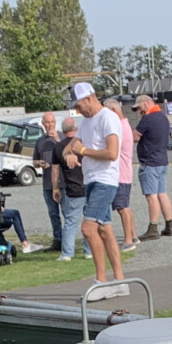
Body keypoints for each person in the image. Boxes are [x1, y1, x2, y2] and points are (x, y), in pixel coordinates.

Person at [66, 82, 124, 284]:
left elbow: (112, 153)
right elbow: (72, 145)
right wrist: (69, 153)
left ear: (89, 98)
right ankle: (119, 281)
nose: (77, 110)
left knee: (88, 229)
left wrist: (82, 151)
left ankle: (101, 281)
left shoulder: (107, 118)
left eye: (78, 105)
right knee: (104, 230)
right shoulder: (86, 123)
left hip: (105, 180)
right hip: (90, 180)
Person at [134, 94, 172, 240]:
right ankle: (169, 225)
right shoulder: (163, 117)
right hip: (162, 160)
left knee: (151, 196)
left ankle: (153, 227)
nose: (139, 111)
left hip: (150, 162)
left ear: (146, 103)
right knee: (162, 193)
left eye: (139, 107)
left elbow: (135, 136)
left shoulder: (147, 119)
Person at [31, 111, 68, 258]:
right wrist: (38, 163)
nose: (50, 125)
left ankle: (67, 240)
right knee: (53, 214)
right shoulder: (40, 141)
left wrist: (58, 140)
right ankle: (57, 240)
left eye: (52, 122)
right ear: (42, 124)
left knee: (67, 212)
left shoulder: (62, 136)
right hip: (47, 182)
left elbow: (67, 153)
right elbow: (34, 160)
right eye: (47, 122)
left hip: (63, 181)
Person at [106, 96, 137, 252]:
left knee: (122, 207)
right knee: (126, 206)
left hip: (120, 174)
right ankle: (133, 235)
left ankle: (128, 240)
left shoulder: (120, 128)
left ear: (113, 110)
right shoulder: (125, 125)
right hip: (125, 172)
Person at [55, 115, 87, 259]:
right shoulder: (83, 144)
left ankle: (67, 253)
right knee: (91, 220)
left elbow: (55, 170)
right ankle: (89, 251)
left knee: (70, 222)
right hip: (88, 185)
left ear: (62, 131)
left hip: (72, 188)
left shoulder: (58, 147)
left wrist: (55, 188)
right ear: (76, 128)